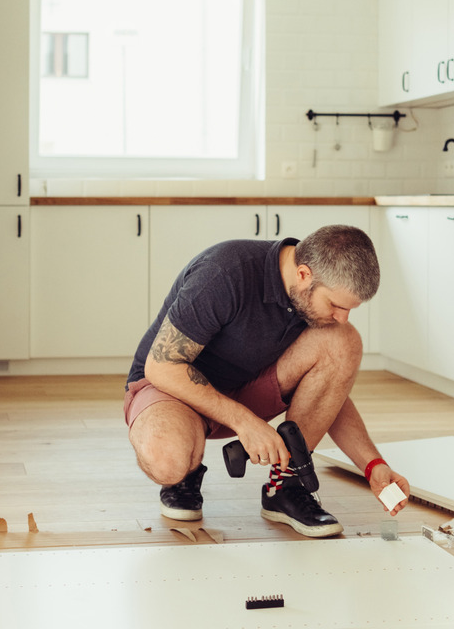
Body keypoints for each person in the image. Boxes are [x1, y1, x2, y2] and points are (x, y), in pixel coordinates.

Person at [122, 224, 410, 537]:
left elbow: (327, 396)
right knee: (168, 461)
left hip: (246, 387)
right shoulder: (225, 273)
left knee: (344, 341)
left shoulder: (310, 302)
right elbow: (162, 367)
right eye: (336, 305)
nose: (342, 317)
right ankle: (186, 472)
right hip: (172, 388)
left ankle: (285, 488)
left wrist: (372, 465)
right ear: (303, 274)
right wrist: (245, 423)